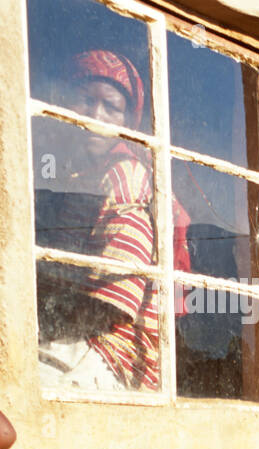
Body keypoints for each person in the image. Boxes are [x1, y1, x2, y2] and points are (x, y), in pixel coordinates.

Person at [36, 49, 190, 392]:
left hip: (113, 353)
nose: (96, 115)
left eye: (111, 107)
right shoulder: (75, 177)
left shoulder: (126, 177)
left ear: (127, 122)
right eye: (86, 100)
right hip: (84, 342)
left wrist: (42, 323)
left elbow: (111, 305)